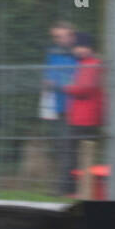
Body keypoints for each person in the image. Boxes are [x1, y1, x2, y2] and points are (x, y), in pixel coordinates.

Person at [58, 32, 105, 196]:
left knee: (72, 156)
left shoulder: (91, 65)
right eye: (76, 47)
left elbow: (83, 89)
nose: (77, 50)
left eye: (80, 47)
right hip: (82, 118)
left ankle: (68, 189)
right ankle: (75, 189)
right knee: (77, 156)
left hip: (84, 119)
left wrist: (65, 86)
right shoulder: (87, 64)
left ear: (88, 48)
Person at [42, 22, 78, 194]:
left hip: (74, 108)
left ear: (71, 36)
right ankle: (67, 186)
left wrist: (58, 82)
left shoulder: (78, 54)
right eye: (56, 36)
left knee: (68, 148)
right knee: (60, 147)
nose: (58, 40)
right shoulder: (53, 54)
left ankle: (64, 188)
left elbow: (77, 81)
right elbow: (48, 76)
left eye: (62, 36)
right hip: (57, 107)